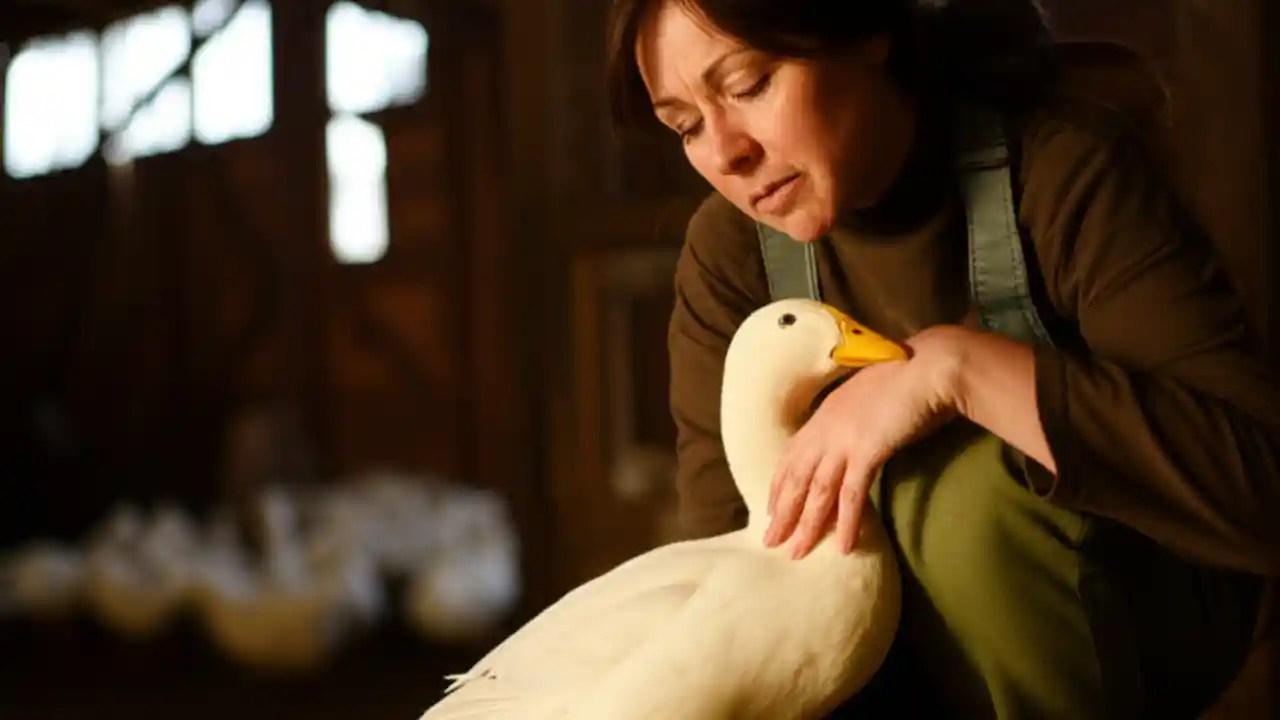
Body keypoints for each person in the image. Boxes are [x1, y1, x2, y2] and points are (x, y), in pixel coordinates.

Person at [603, 0, 1279, 717]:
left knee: (960, 498)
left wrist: (957, 371)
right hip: (893, 684)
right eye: (685, 125)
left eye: (746, 86)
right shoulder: (728, 256)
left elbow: (1259, 480)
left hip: (1137, 639)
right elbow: (731, 583)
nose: (725, 152)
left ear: (867, 34)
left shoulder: (1058, 169)